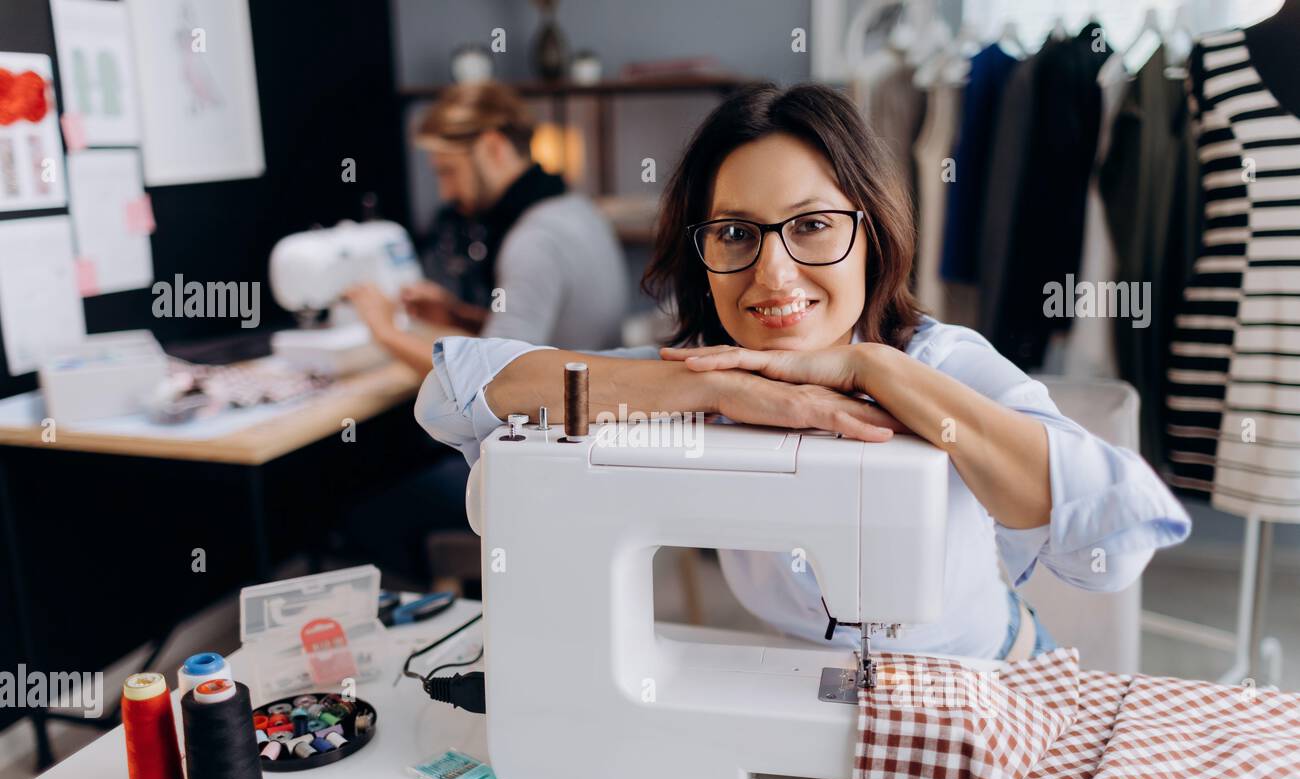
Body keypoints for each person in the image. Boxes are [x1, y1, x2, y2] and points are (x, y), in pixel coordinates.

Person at [415, 83, 1192, 661]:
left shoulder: (939, 364)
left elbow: (1113, 542)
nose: (775, 276)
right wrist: (710, 387)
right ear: (703, 253)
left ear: (872, 233)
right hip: (802, 700)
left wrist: (870, 367)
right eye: (735, 233)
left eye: (813, 225)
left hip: (991, 688)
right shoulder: (706, 369)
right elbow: (455, 390)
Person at [337, 82, 628, 589]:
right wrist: (456, 313)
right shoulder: (574, 211)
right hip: (603, 441)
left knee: (367, 513)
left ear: (492, 147)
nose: (447, 193)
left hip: (559, 466)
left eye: (448, 171)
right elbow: (538, 339)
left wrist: (383, 330)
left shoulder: (532, 240)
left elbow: (496, 382)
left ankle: (441, 625)